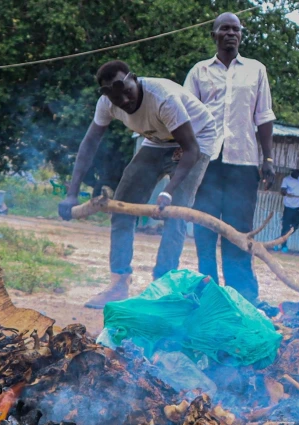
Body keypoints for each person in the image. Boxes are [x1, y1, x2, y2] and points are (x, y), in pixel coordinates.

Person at [58, 60, 217, 309]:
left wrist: (168, 190)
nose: (124, 101)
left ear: (135, 79)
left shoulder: (163, 98)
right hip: (156, 141)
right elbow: (89, 144)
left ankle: (161, 288)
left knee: (175, 213)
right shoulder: (107, 104)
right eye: (116, 98)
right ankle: (118, 284)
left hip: (196, 139)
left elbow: (191, 149)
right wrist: (71, 194)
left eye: (127, 92)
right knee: (121, 209)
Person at [184, 12, 276, 308]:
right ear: (214, 34)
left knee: (238, 234)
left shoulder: (256, 70)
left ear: (241, 35)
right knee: (205, 231)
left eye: (236, 29)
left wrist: (269, 158)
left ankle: (243, 299)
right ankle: (208, 298)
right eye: (225, 28)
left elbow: (263, 117)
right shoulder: (199, 71)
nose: (231, 33)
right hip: (206, 164)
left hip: (243, 163)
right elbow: (185, 116)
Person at [277, 169, 299, 252]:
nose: (297, 173)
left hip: (298, 206)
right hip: (288, 206)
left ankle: (277, 240)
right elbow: (283, 190)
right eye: (296, 171)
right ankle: (283, 245)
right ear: (292, 171)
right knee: (285, 226)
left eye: (298, 172)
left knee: (296, 226)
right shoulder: (286, 179)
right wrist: (285, 193)